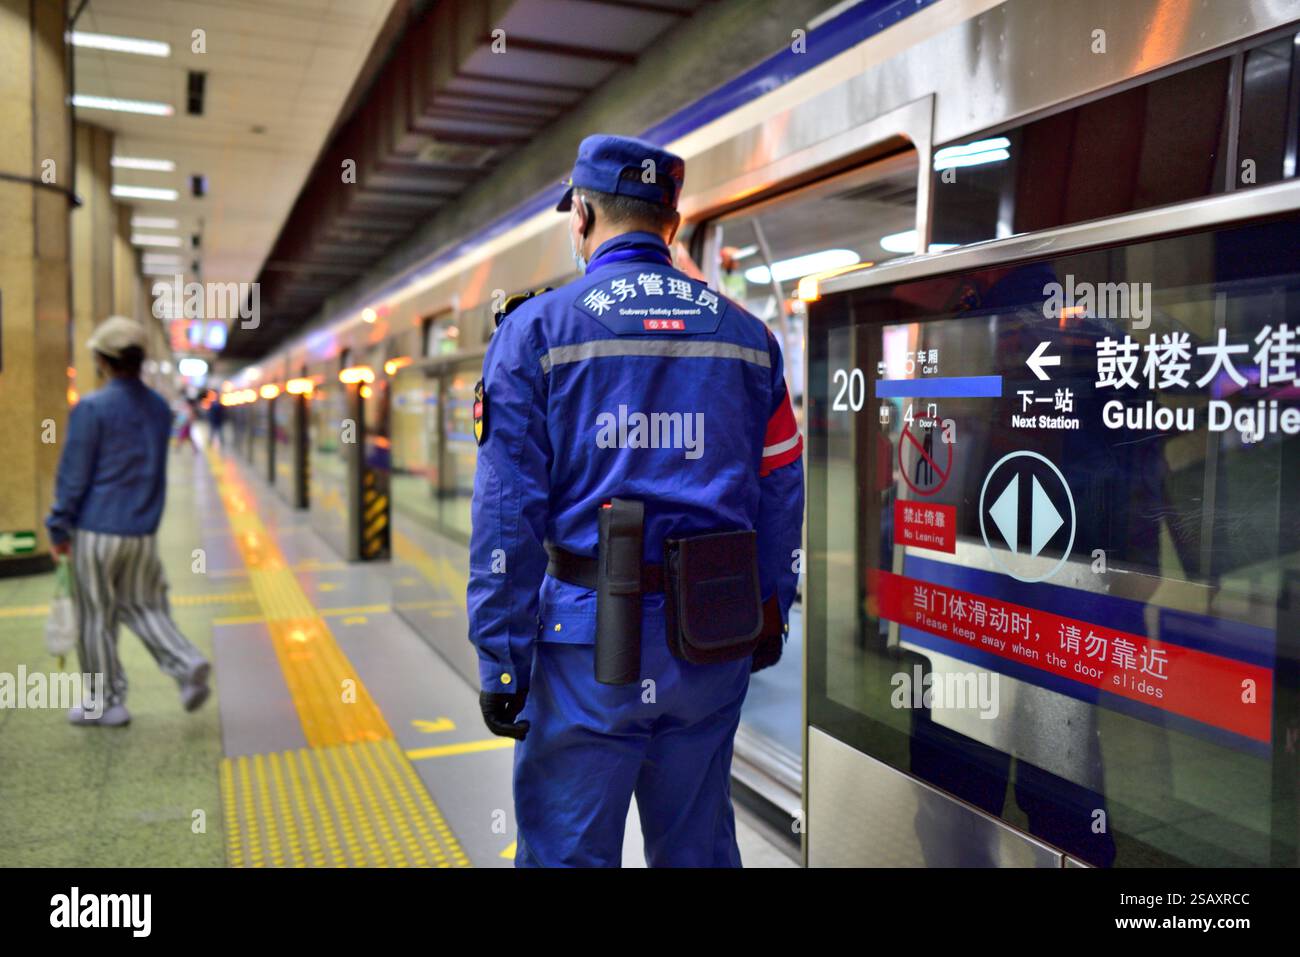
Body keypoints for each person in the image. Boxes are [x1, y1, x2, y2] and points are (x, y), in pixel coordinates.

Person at [466, 134, 804, 867]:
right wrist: (768, 611)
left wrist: (501, 657)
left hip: (588, 645)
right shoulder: (750, 340)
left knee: (569, 852)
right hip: (711, 635)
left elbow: (506, 513)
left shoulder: (536, 332)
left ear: (582, 215)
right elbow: (781, 488)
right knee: (698, 849)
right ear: (672, 223)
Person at [46, 317, 211, 727]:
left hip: (97, 530)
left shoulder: (91, 408)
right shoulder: (158, 409)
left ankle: (105, 702)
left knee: (96, 615)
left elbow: (74, 475)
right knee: (143, 604)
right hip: (141, 531)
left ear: (102, 360)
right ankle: (186, 662)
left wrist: (58, 527)